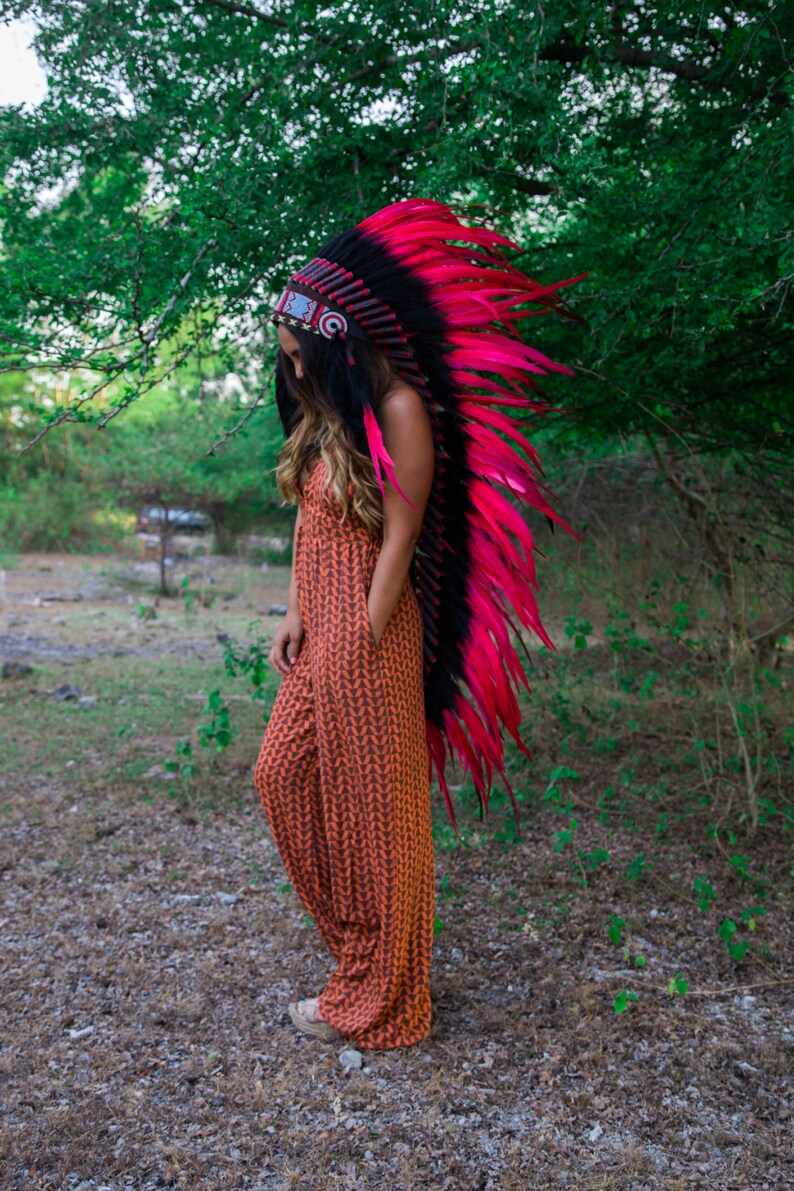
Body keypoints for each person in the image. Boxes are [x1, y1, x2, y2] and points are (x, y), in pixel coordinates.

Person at [254, 199, 579, 1050]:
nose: (290, 372)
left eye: (299, 356)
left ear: (336, 342)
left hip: (371, 631)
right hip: (319, 627)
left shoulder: (398, 409)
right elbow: (309, 519)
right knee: (280, 778)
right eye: (284, 358)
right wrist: (294, 609)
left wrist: (362, 631)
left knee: (377, 817)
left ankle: (389, 999)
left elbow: (400, 534)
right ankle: (358, 958)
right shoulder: (328, 409)